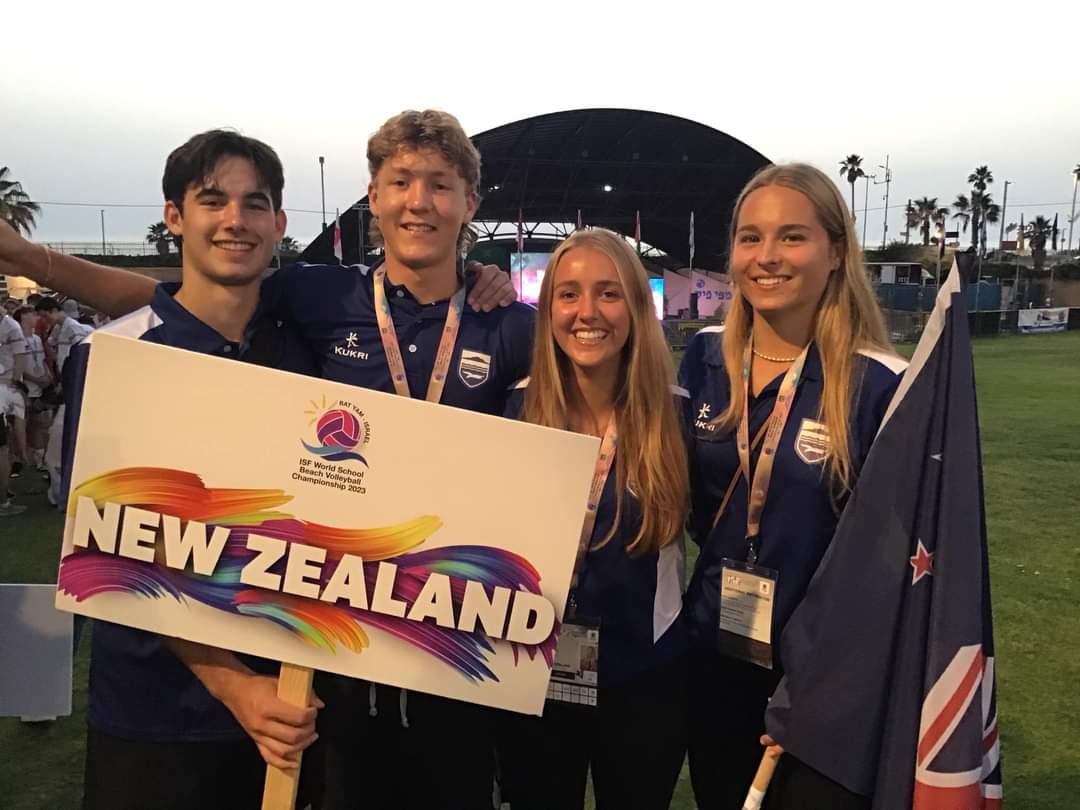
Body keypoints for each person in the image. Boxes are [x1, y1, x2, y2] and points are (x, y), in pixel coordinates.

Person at [0, 109, 529, 810]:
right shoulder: (317, 298)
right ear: (373, 196)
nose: (419, 200)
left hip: (386, 660)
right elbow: (186, 297)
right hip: (227, 689)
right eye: (401, 180)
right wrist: (25, 257)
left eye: (440, 184)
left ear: (470, 203)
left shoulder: (499, 325)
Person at [60, 130, 325, 809]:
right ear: (175, 217)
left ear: (279, 224)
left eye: (254, 203)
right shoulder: (115, 357)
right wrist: (235, 685)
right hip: (158, 717)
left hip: (290, 710)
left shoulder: (304, 353)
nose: (235, 220)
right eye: (213, 201)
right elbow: (109, 554)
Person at [678, 163, 907, 809]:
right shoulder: (704, 356)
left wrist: (823, 684)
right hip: (715, 650)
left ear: (836, 251)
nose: (767, 257)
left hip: (823, 677)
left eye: (792, 237)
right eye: (750, 238)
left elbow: (891, 567)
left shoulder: (882, 384)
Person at [499, 229, 689, 810]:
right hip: (532, 667)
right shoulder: (515, 409)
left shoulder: (678, 415)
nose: (587, 313)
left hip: (646, 673)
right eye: (568, 294)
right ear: (547, 307)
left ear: (636, 306)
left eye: (609, 294)